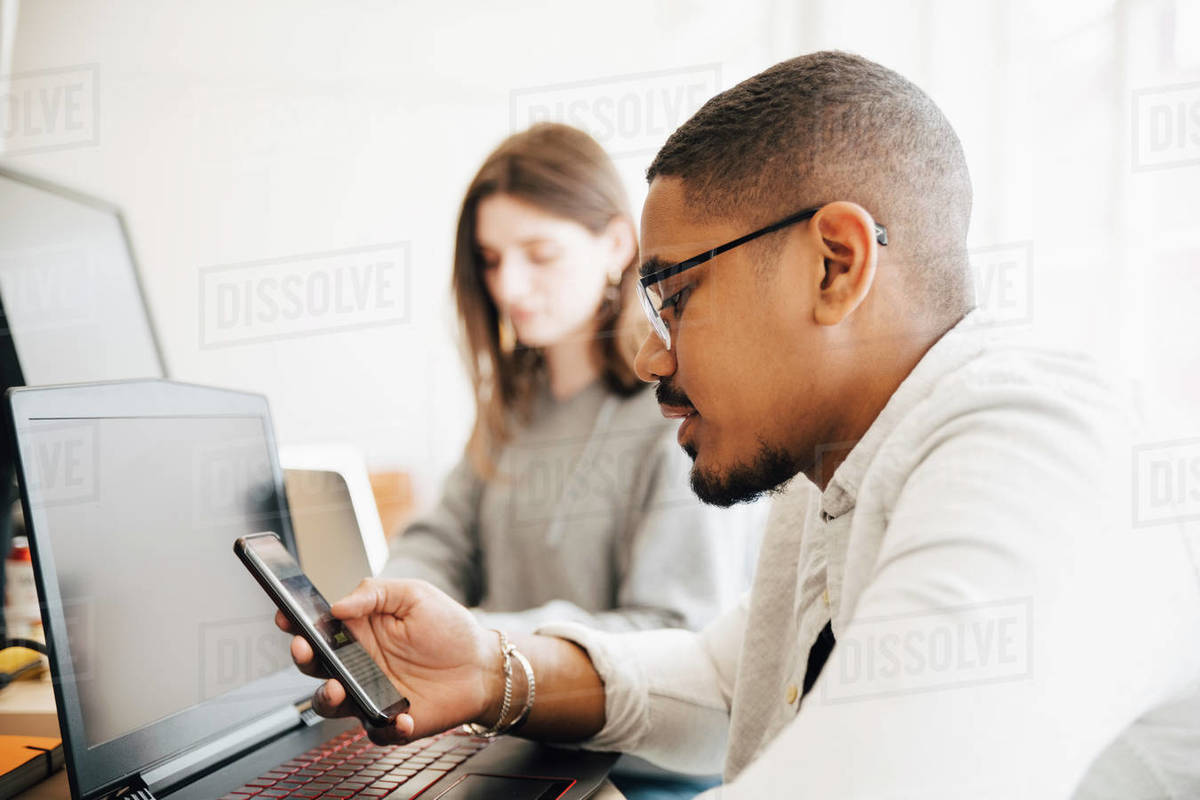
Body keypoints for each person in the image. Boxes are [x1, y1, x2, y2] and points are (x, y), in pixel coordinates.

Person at [277, 52, 1200, 798]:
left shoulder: (1034, 448)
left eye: (673, 295)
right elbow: (729, 685)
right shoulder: (833, 471)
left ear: (834, 265)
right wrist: (489, 666)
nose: (649, 356)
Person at [381, 122, 758, 637]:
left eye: (540, 255)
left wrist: (474, 639)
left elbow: (676, 633)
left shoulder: (674, 413)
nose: (509, 287)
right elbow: (441, 541)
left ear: (617, 245)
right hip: (497, 710)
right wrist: (391, 604)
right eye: (490, 261)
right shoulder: (513, 406)